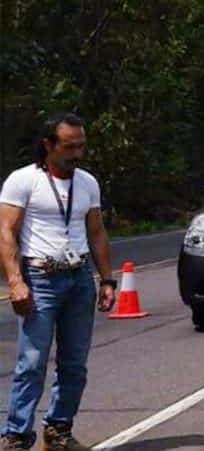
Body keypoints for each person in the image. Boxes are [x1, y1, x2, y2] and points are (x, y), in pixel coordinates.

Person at [0, 114, 117, 451]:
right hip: (41, 279)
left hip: (80, 279)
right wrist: (15, 281)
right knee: (32, 362)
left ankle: (58, 430)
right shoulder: (23, 181)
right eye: (69, 146)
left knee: (74, 363)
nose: (77, 153)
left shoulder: (87, 183)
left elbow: (96, 232)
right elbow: (6, 232)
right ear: (48, 145)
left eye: (81, 145)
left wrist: (107, 279)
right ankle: (17, 436)